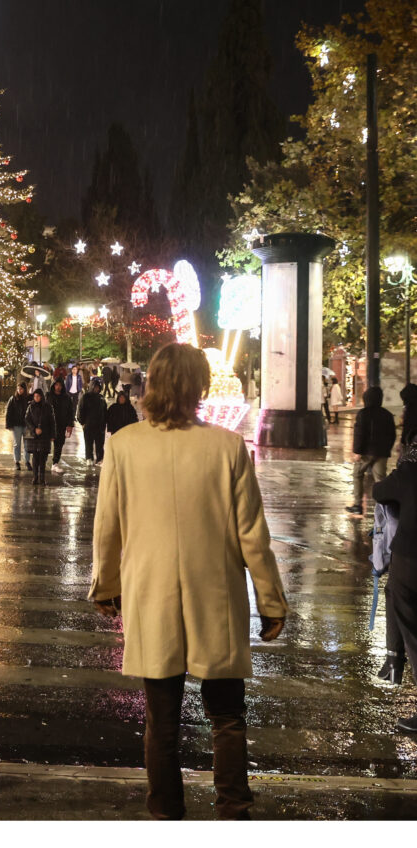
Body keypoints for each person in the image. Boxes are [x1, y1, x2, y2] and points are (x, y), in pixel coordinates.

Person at [89, 342, 287, 821]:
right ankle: (233, 809)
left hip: (151, 597)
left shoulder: (124, 446)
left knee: (162, 722)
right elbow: (252, 535)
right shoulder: (226, 447)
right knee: (227, 717)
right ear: (199, 386)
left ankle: (166, 814)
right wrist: (270, 602)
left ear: (151, 384)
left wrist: (106, 586)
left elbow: (108, 527)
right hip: (214, 598)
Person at [372, 441, 417, 733]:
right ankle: (393, 660)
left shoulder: (410, 470)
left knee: (410, 624)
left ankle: (394, 660)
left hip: (411, 560)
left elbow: (379, 492)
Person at [348, 386, 395, 516]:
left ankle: (358, 504)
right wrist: (386, 449)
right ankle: (385, 507)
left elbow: (359, 434)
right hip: (381, 453)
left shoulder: (363, 413)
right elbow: (392, 434)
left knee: (358, 475)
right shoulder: (387, 414)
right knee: (380, 479)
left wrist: (357, 451)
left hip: (366, 452)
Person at [24, 387, 55, 486]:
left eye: (38, 396)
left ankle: (42, 477)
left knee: (43, 457)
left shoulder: (48, 407)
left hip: (44, 435)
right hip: (34, 436)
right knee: (35, 457)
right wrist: (34, 429)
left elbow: (52, 421)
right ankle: (35, 477)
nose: (36, 398)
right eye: (35, 396)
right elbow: (27, 420)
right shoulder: (31, 407)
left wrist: (52, 434)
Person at [77, 378, 108, 465]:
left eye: (98, 387)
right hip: (89, 425)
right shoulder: (85, 397)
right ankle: (89, 458)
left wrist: (104, 422)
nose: (97, 389)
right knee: (89, 442)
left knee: (99, 443)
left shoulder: (101, 398)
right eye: (95, 387)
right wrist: (82, 422)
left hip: (100, 425)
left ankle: (100, 458)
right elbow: (80, 410)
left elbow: (105, 411)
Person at [47, 379, 74, 472]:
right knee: (45, 444)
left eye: (60, 385)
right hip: (49, 424)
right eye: (56, 385)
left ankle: (55, 463)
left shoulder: (66, 398)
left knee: (59, 444)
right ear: (54, 385)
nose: (58, 387)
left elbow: (71, 412)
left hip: (61, 424)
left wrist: (70, 425)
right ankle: (42, 462)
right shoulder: (48, 396)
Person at [5, 382, 32, 472]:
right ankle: (17, 461)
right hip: (16, 424)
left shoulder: (29, 398)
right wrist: (8, 424)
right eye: (18, 389)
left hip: (27, 425)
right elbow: (8, 411)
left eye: (21, 389)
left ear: (24, 389)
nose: (19, 390)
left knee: (27, 443)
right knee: (17, 444)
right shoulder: (13, 399)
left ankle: (27, 461)